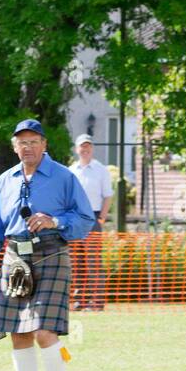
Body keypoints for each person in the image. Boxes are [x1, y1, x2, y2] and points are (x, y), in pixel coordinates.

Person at [0, 119, 94, 371]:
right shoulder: (6, 180)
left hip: (51, 252)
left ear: (44, 144)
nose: (28, 147)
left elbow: (86, 219)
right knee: (18, 333)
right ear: (15, 147)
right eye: (22, 142)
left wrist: (56, 221)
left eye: (33, 141)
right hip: (14, 258)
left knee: (44, 331)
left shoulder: (64, 177)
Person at [68, 133, 113, 311]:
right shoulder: (70, 170)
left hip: (93, 218)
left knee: (94, 263)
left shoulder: (101, 170)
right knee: (76, 263)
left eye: (88, 146)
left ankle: (97, 303)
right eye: (82, 146)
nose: (85, 149)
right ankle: (80, 301)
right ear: (77, 149)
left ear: (92, 149)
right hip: (74, 219)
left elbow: (108, 195)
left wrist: (101, 218)